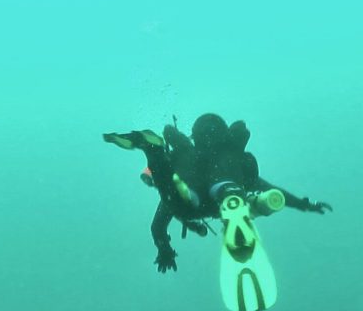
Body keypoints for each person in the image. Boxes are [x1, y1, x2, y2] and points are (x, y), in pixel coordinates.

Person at [104, 113, 331, 273]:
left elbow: (157, 227)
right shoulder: (229, 157)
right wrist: (305, 204)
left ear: (193, 136)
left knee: (173, 194)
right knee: (231, 189)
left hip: (188, 199)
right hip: (225, 190)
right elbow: (271, 189)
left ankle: (152, 150)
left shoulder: (185, 155)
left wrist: (165, 251)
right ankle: (233, 196)